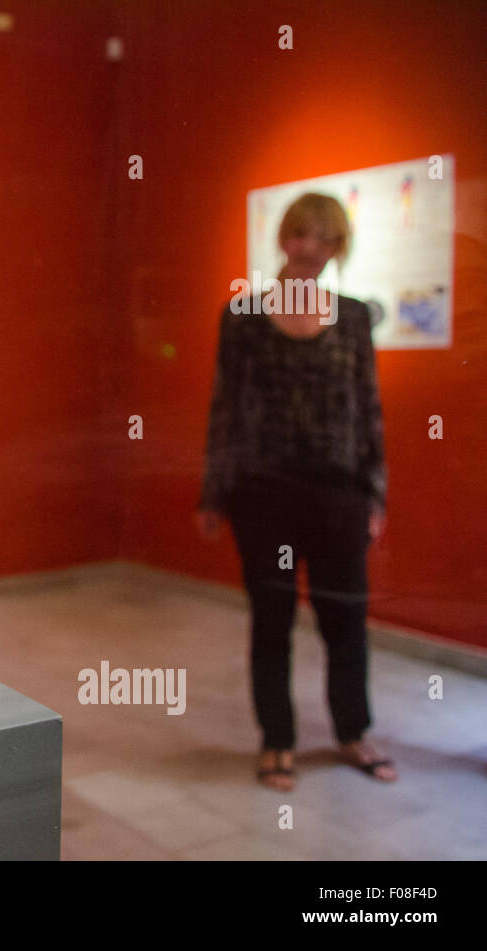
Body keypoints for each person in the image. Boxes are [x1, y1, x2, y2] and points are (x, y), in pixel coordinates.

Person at [197, 192, 397, 792]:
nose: (311, 248)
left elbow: (369, 410)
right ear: (283, 239)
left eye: (325, 238)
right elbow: (225, 408)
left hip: (339, 495)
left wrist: (375, 493)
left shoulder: (356, 316)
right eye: (301, 234)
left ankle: (353, 731)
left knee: (346, 617)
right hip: (264, 494)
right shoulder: (243, 316)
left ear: (339, 247)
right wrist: (214, 492)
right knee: (272, 618)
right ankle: (277, 739)